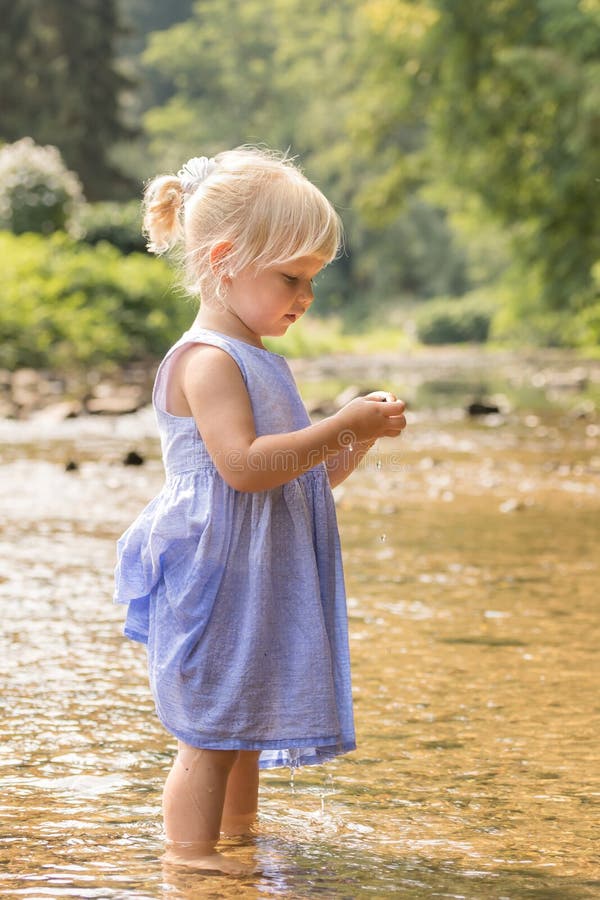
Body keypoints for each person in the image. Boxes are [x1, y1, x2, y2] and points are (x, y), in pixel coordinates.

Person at [113, 147, 406, 875]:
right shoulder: (208, 360)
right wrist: (342, 423)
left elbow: (296, 480)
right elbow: (243, 469)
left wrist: (355, 443)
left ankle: (237, 840)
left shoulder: (261, 357)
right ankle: (188, 856)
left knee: (242, 723)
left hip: (255, 579)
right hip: (214, 580)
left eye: (312, 280)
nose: (305, 296)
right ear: (224, 260)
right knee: (211, 730)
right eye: (292, 277)